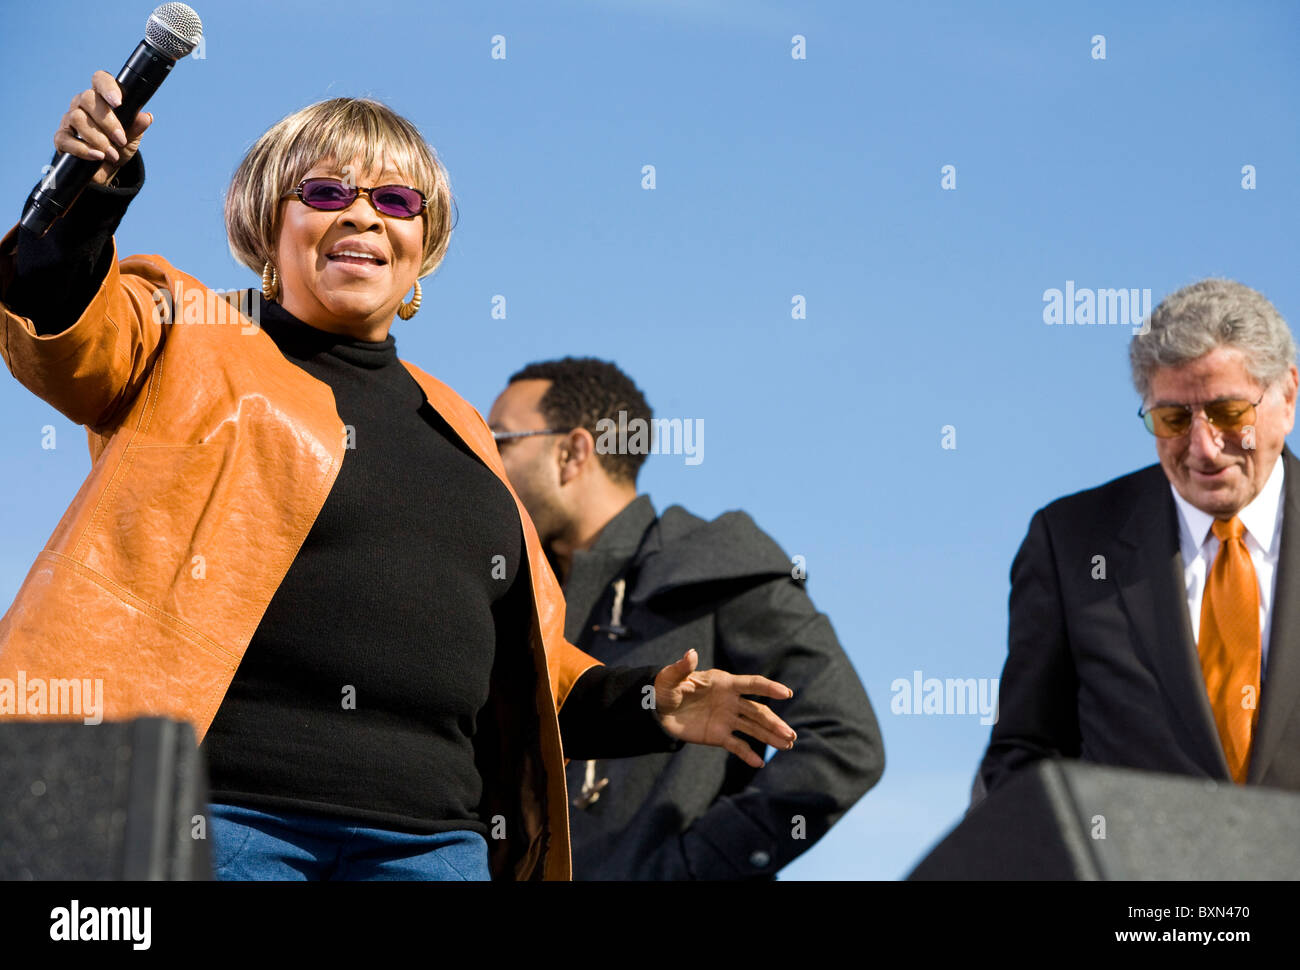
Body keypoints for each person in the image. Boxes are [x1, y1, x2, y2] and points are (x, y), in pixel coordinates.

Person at [0, 72, 799, 881]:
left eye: (395, 201)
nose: (360, 214)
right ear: (267, 225)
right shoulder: (186, 331)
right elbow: (65, 318)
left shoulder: (461, 428)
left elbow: (523, 671)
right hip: (219, 820)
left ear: (425, 244)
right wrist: (84, 200)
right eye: (324, 190)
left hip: (434, 846)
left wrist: (650, 702)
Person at [488, 358, 884, 879]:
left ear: (572, 452)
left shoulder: (714, 563)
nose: (485, 463)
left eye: (501, 441)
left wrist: (689, 871)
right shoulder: (513, 599)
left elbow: (845, 741)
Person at [979, 278, 1300, 797]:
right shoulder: (1071, 545)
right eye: (1173, 418)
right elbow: (1024, 760)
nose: (1203, 447)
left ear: (1286, 397)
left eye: (1227, 412)